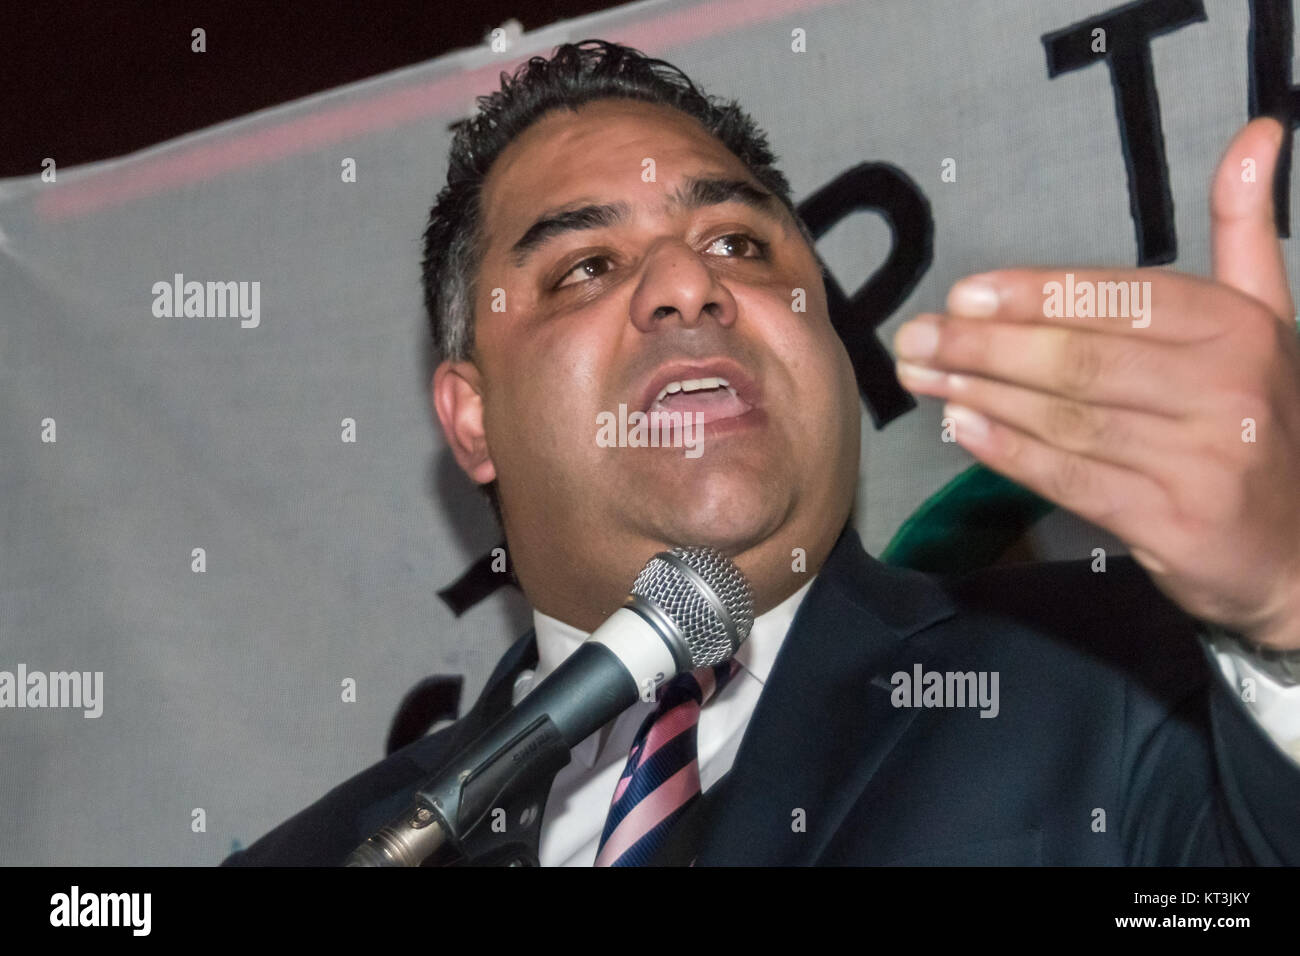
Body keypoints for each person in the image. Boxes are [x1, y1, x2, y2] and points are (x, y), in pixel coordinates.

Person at [223, 39, 1300, 866]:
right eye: (585, 266)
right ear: (471, 418)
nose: (689, 285)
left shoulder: (1136, 683)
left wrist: (1288, 615)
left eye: (738, 243)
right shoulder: (335, 854)